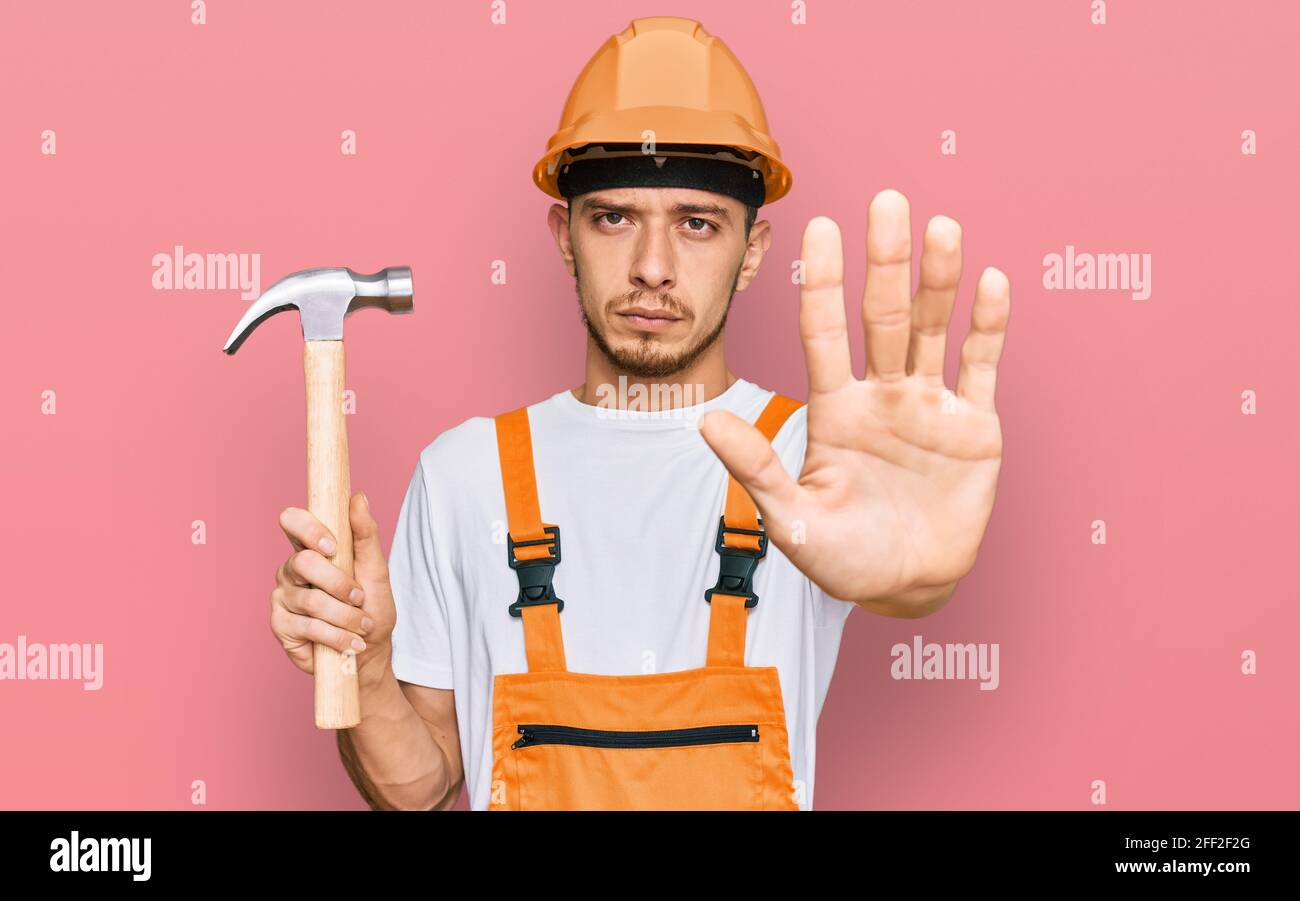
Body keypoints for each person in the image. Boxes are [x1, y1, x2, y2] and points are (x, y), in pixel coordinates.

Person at [269, 16, 1010, 810]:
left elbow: (900, 570)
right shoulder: (465, 475)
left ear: (753, 250)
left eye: (698, 223)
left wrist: (924, 576)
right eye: (614, 217)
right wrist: (371, 669)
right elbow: (415, 789)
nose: (652, 269)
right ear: (565, 234)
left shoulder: (815, 458)